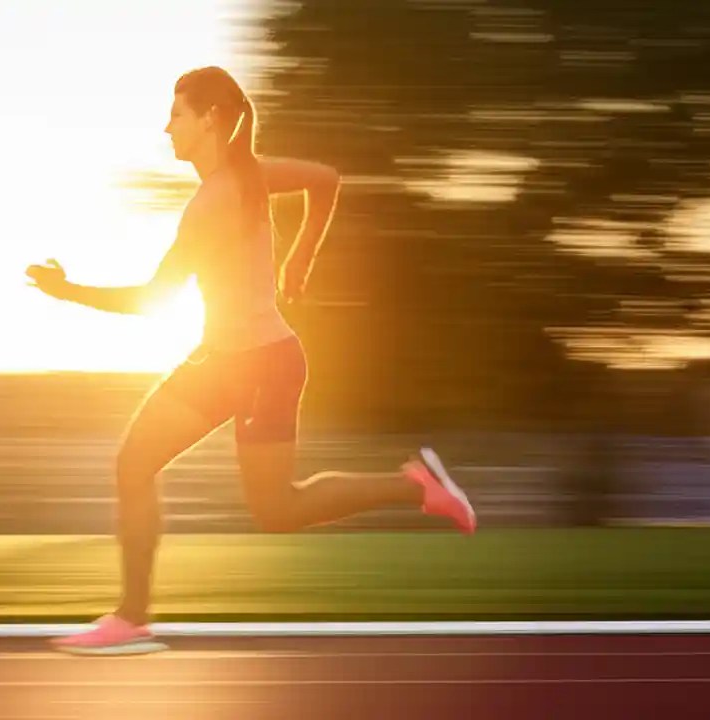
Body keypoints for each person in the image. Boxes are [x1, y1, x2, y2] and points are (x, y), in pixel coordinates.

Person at [26, 66, 476, 655]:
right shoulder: (248, 176)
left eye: (177, 114)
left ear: (210, 118)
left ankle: (412, 485)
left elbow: (151, 300)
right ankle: (131, 618)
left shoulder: (215, 200)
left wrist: (69, 291)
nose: (166, 127)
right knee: (135, 463)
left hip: (265, 364)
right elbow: (326, 180)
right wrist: (300, 258)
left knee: (278, 509)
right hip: (219, 361)